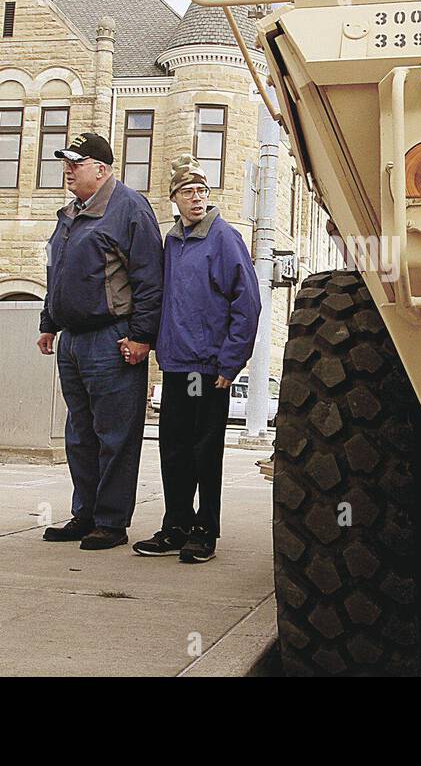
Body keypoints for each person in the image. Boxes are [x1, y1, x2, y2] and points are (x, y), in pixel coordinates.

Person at [37, 133, 163, 550]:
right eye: (66, 163)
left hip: (112, 338)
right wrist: (48, 322)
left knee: (115, 435)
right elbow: (56, 271)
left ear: (102, 169)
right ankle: (84, 514)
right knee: (80, 434)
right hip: (73, 340)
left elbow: (150, 279)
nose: (69, 170)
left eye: (77, 162)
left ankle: (110, 522)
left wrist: (142, 336)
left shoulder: (129, 208)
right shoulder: (69, 213)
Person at [133, 155, 259, 564]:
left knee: (205, 451)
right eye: (188, 192)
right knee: (173, 449)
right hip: (175, 364)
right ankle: (176, 526)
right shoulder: (172, 242)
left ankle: (205, 531)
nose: (197, 199)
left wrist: (229, 363)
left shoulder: (224, 238)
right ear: (175, 199)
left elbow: (247, 303)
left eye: (202, 191)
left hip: (207, 369)